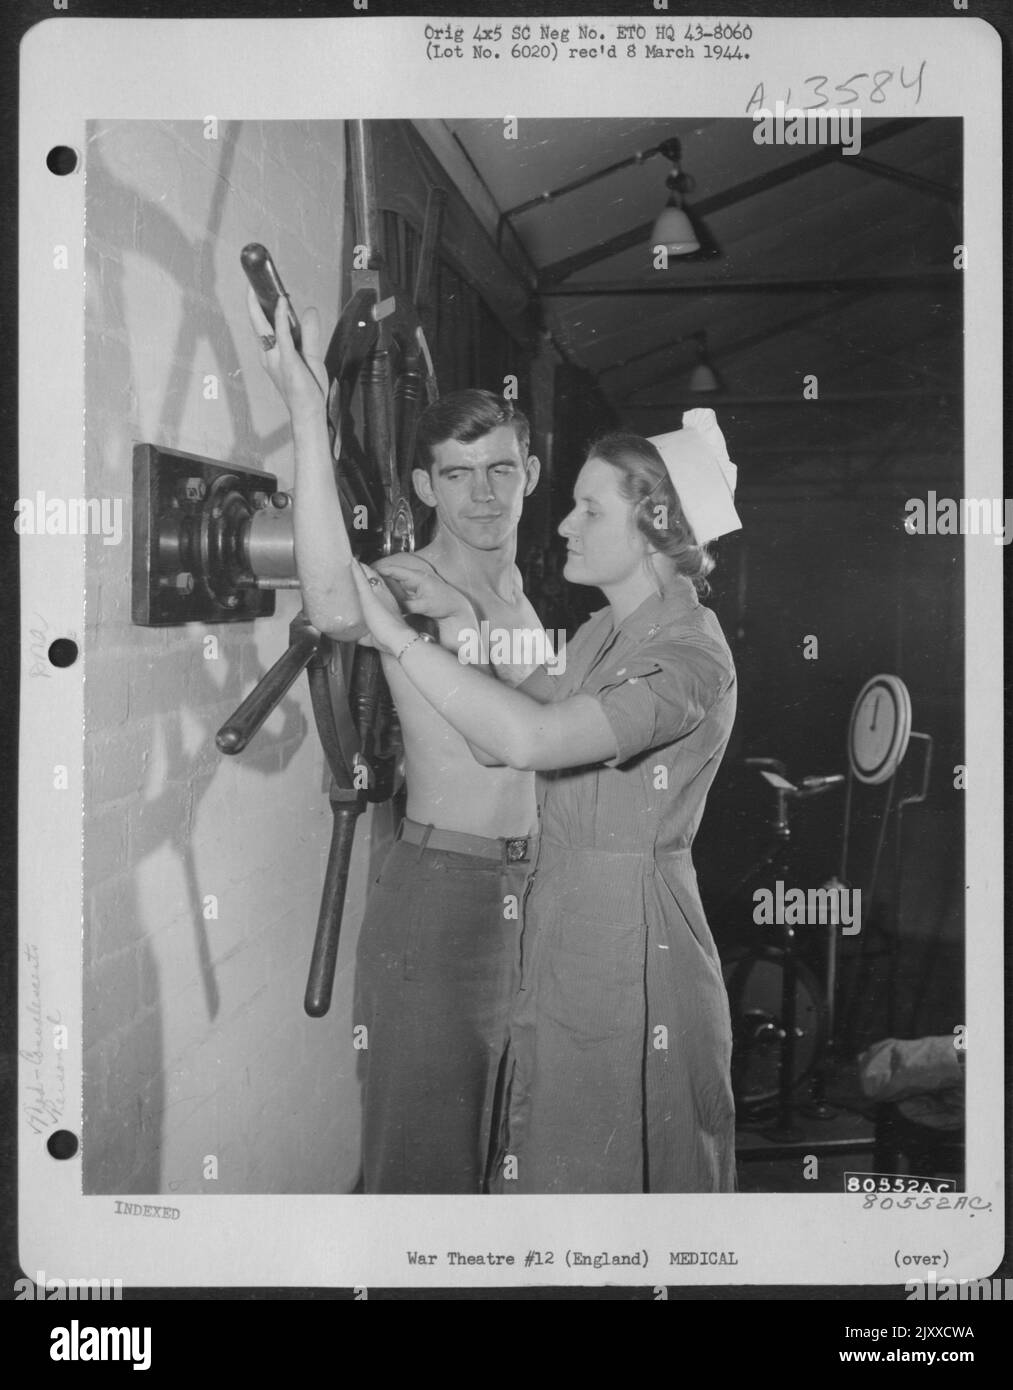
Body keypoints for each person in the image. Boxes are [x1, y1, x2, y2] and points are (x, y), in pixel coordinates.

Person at [350, 411, 742, 1193]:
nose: (563, 521)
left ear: (657, 529)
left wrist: (397, 639)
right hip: (563, 920)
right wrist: (459, 618)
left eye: (591, 510)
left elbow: (530, 740)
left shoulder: (686, 657)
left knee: (611, 1176)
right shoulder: (608, 632)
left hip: (628, 943)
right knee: (544, 1158)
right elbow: (520, 709)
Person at [248, 289, 549, 1194]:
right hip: (444, 895)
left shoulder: (521, 593)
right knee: (423, 1171)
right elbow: (336, 604)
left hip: (528, 892)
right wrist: (309, 413)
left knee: (500, 1158)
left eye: (499, 468)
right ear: (424, 488)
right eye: (457, 475)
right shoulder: (412, 583)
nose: (483, 493)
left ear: (531, 471)